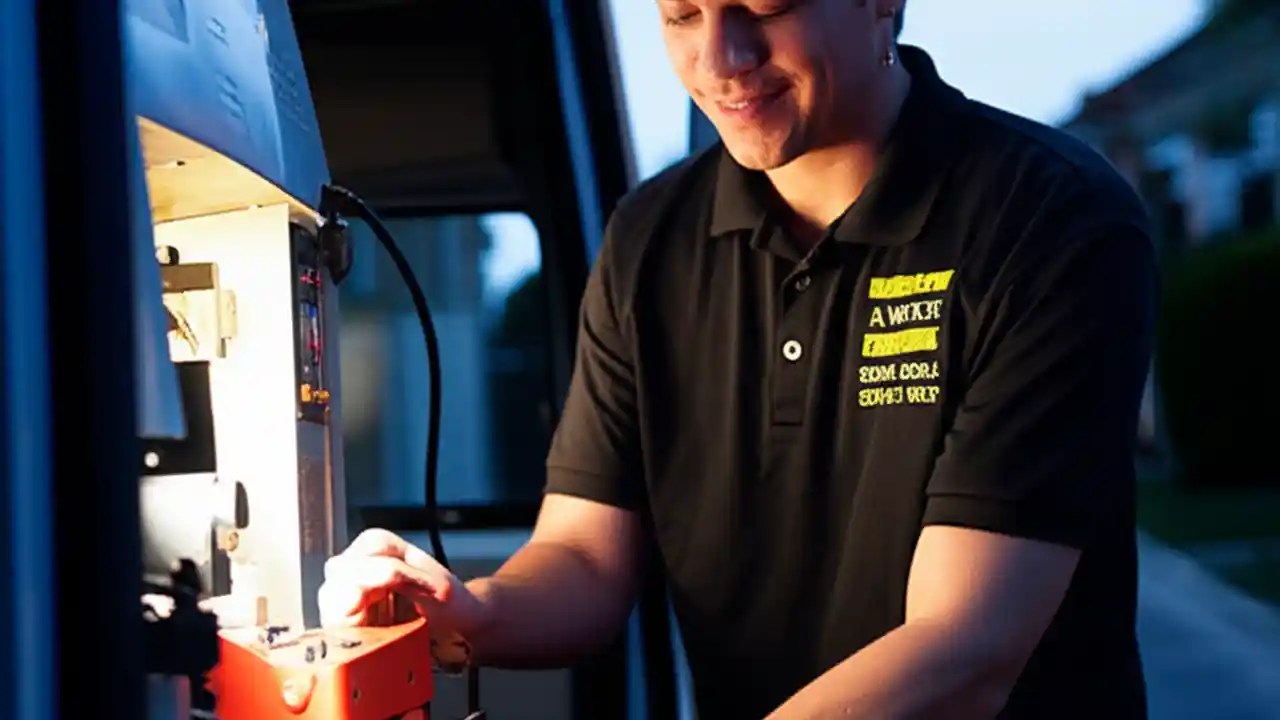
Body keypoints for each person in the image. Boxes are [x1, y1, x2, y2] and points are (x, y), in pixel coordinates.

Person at [319, 1, 1156, 717]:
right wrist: (465, 614)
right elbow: (582, 556)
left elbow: (966, 648)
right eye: (682, 14)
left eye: (763, 9)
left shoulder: (1050, 220)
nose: (721, 58)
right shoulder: (652, 237)